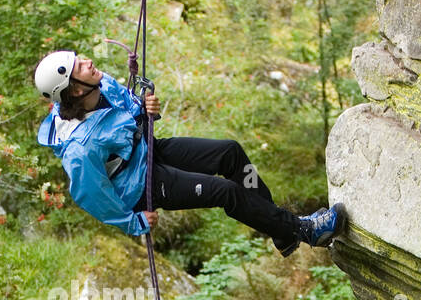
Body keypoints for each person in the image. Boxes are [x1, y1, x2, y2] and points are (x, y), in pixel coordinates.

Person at [34, 49, 346, 254]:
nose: (88, 61)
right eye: (79, 66)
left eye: (81, 58)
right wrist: (132, 221)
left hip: (148, 150)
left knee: (230, 153)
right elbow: (91, 194)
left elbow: (129, 112)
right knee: (225, 191)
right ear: (75, 89)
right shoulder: (80, 147)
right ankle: (303, 230)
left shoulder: (99, 84)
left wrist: (146, 108)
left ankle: (280, 228)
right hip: (141, 186)